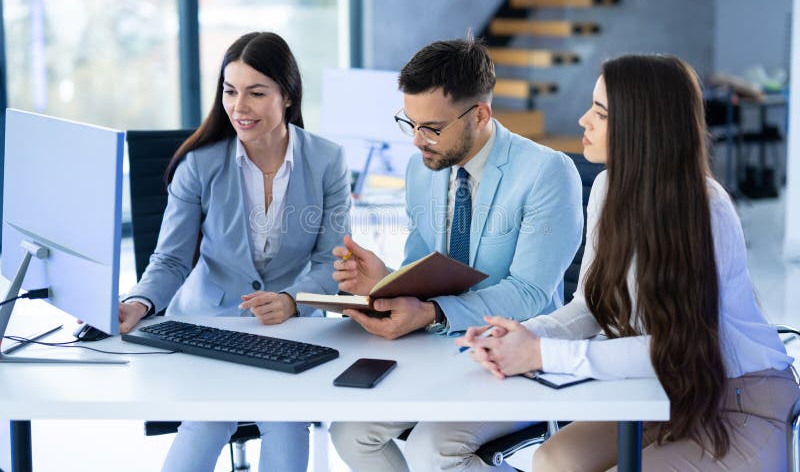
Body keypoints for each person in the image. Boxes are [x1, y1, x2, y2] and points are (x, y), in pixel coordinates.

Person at [458, 54, 800, 470]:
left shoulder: (705, 206)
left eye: (600, 113)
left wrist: (543, 355)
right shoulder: (607, 186)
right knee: (553, 460)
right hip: (662, 390)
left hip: (738, 400)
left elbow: (676, 351)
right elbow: (589, 306)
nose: (583, 120)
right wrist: (524, 336)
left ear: (643, 126)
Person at [329, 36, 583, 471]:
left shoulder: (547, 172)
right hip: (436, 352)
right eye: (409, 123)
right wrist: (384, 280)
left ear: (480, 114)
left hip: (515, 355)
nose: (416, 140)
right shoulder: (422, 168)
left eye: (431, 127)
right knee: (349, 432)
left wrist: (431, 313)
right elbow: (423, 267)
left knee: (431, 449)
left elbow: (529, 293)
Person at [118, 32, 351, 472]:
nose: (239, 107)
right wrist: (139, 302)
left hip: (288, 328)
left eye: (256, 93)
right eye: (230, 91)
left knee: (287, 425)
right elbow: (171, 259)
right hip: (208, 323)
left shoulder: (327, 161)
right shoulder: (199, 164)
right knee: (206, 421)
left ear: (288, 95)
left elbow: (330, 262)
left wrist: (292, 300)